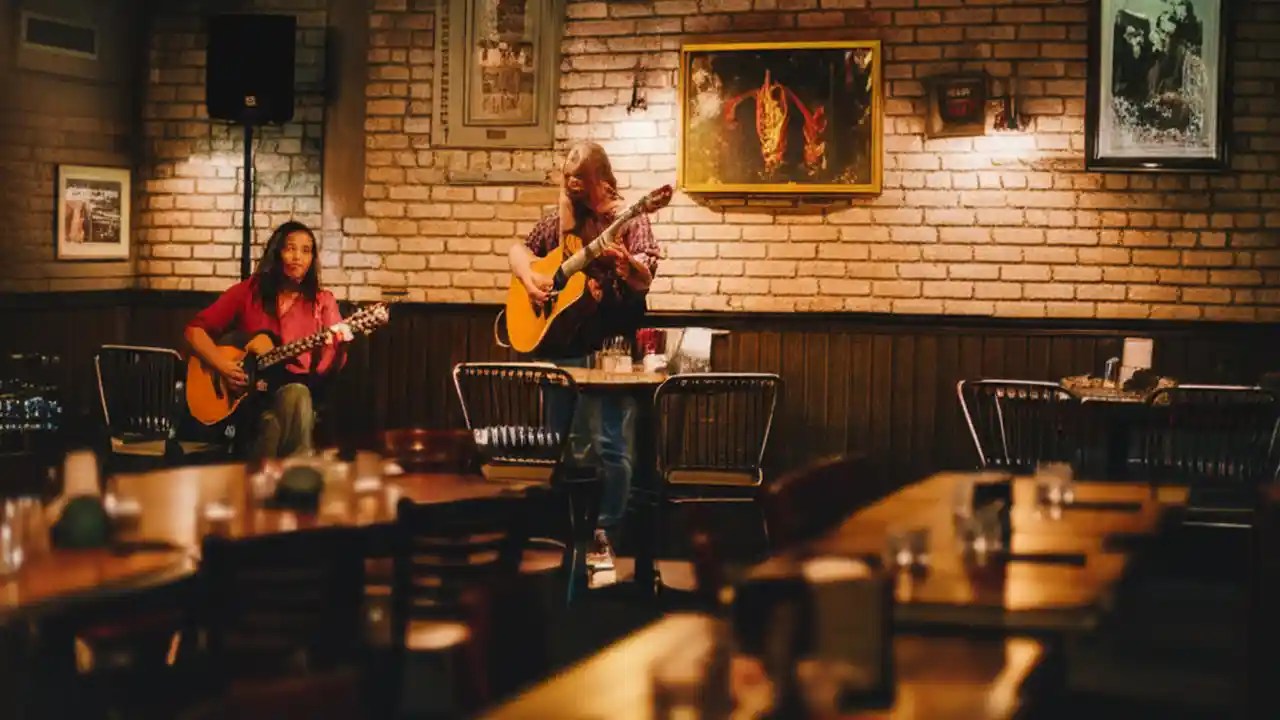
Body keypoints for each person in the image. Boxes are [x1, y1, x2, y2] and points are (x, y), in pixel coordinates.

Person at [507, 141, 660, 571]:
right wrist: (530, 279)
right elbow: (518, 250)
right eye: (567, 179)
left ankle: (604, 537)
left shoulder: (632, 220)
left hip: (611, 353)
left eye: (580, 179)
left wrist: (629, 266)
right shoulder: (558, 221)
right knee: (561, 447)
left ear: (602, 180)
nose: (572, 186)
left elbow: (645, 275)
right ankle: (567, 537)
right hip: (561, 351)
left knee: (612, 447)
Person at [184, 220, 352, 459]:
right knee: (268, 424)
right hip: (247, 401)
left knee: (293, 399)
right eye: (290, 248)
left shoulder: (322, 302)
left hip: (294, 393)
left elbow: (325, 369)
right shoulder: (248, 292)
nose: (297, 257)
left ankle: (289, 475)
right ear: (277, 252)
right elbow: (194, 331)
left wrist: (340, 346)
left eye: (306, 251)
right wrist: (223, 367)